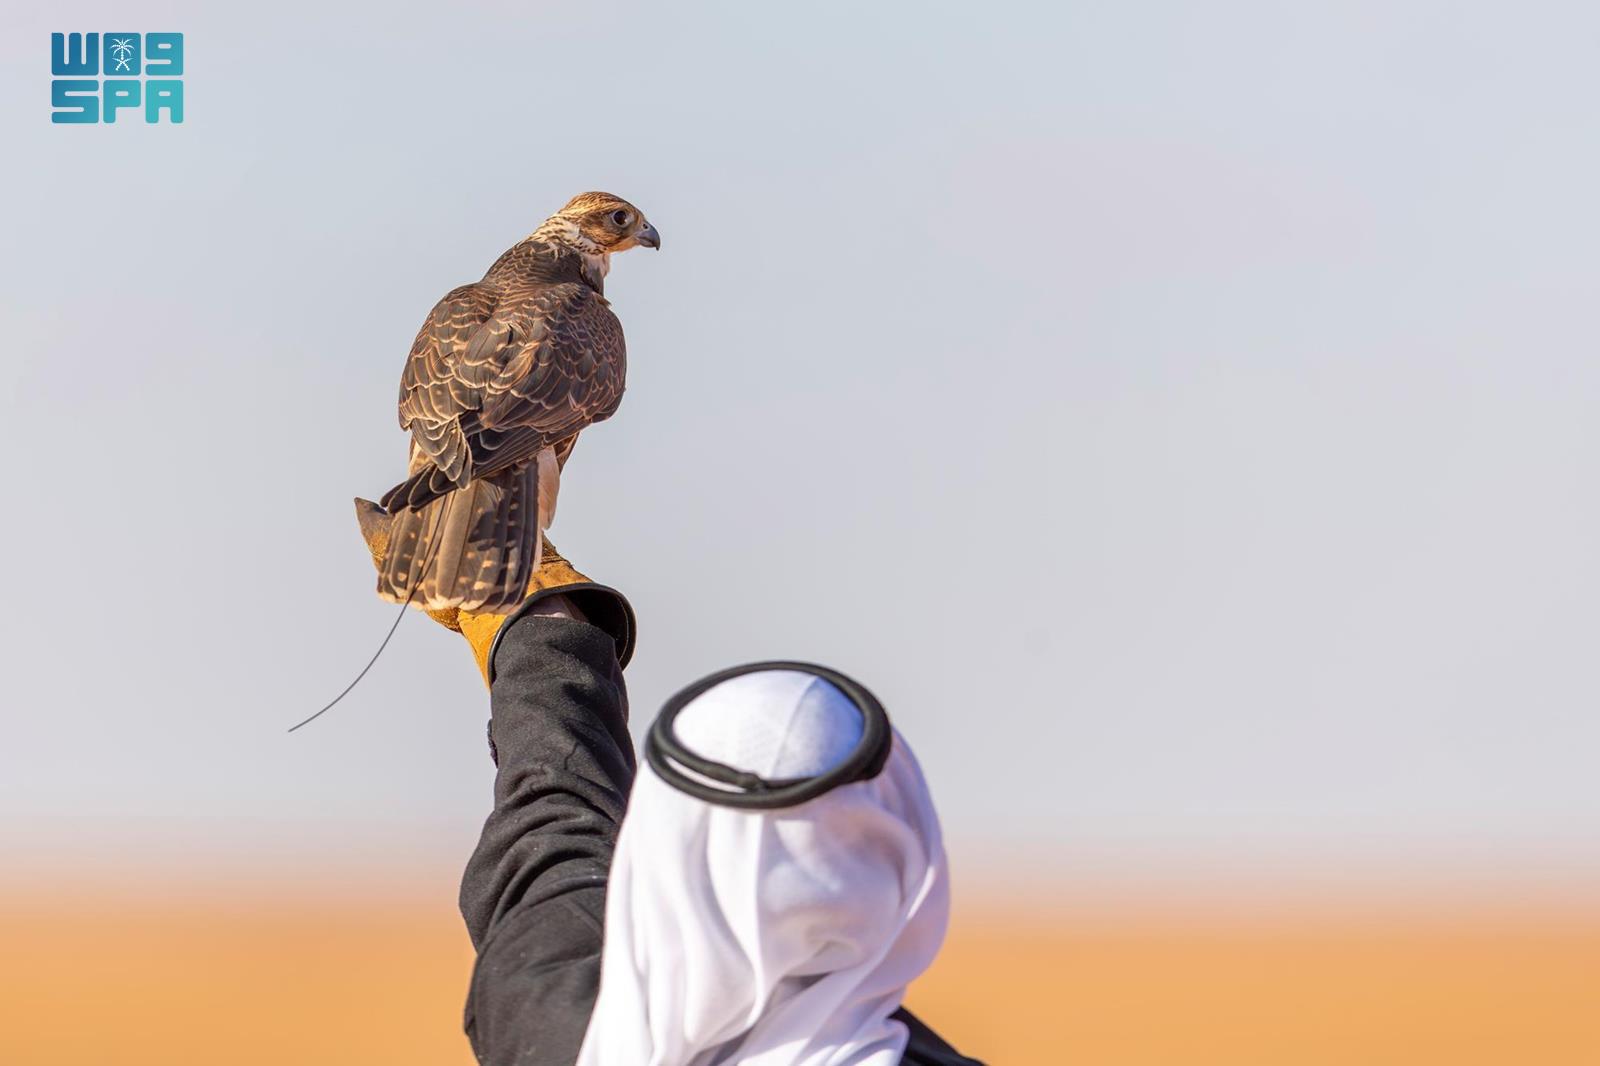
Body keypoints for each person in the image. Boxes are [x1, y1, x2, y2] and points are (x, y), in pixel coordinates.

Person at [355, 502, 984, 1066]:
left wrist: (522, 600)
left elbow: (555, 825)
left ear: (663, 837)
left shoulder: (559, 1019)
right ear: (908, 861)